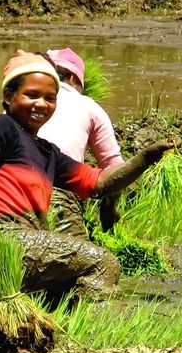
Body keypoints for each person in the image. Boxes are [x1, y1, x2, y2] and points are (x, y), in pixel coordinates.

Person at [0, 51, 172, 300]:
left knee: (66, 290)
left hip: (21, 250)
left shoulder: (48, 153)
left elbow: (100, 182)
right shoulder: (0, 127)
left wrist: (145, 158)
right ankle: (99, 328)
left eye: (50, 98)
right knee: (104, 263)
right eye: (31, 95)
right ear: (9, 96)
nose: (41, 104)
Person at [37, 47, 124, 238]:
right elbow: (116, 169)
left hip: (11, 191)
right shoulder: (89, 107)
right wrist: (109, 208)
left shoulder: (25, 102)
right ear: (73, 79)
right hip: (60, 196)